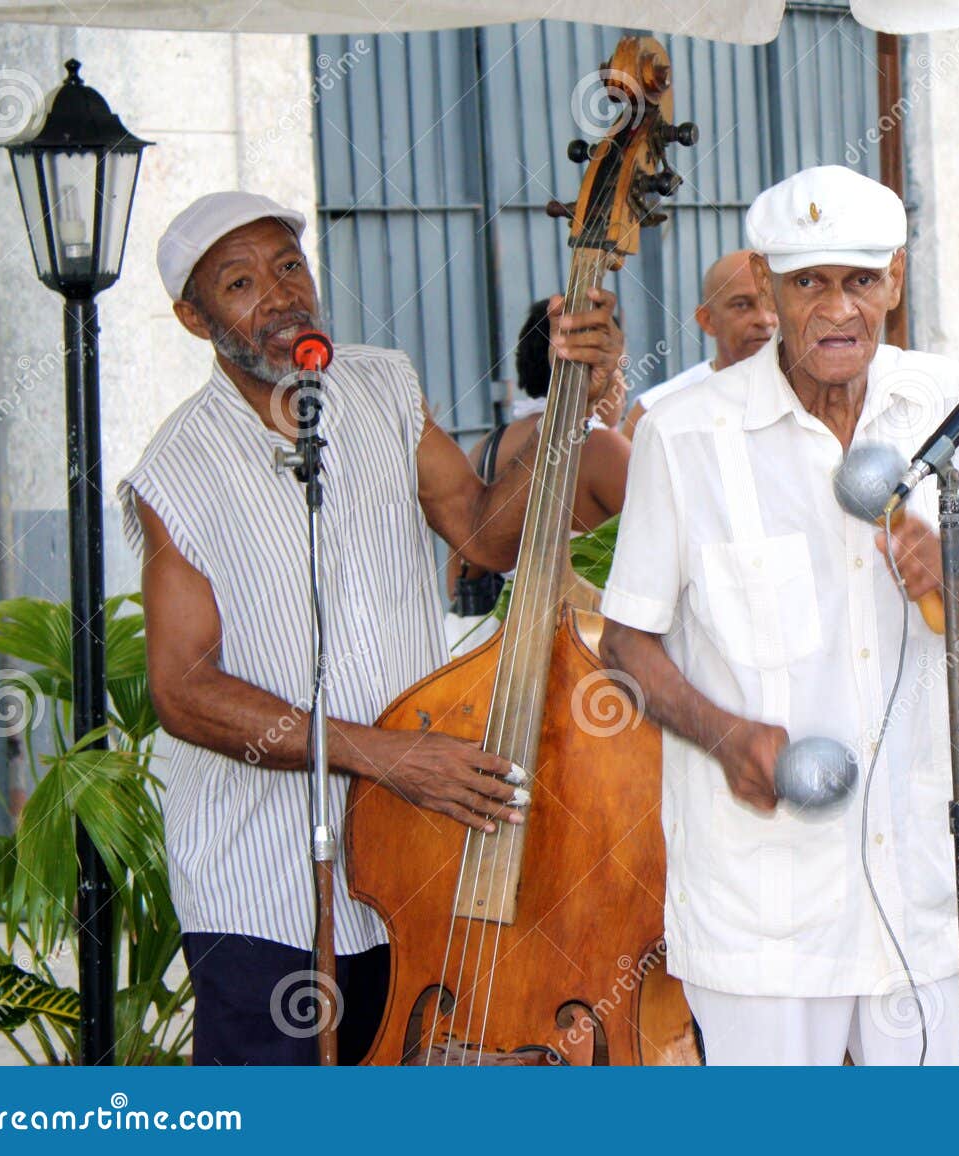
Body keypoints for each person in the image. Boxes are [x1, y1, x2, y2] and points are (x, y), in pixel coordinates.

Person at [119, 192, 623, 1065]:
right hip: (263, 887)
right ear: (194, 318)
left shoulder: (381, 381)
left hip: (410, 864)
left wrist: (569, 403)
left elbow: (481, 532)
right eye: (240, 283)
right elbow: (184, 692)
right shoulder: (175, 468)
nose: (279, 296)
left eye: (289, 266)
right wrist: (381, 754)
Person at [599, 165, 959, 1065]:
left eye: (858, 280)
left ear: (894, 278)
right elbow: (626, 640)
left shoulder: (946, 407)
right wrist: (727, 736)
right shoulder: (683, 434)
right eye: (809, 282)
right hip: (760, 910)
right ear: (769, 287)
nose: (836, 308)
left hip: (921, 891)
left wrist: (951, 579)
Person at [444, 298, 632, 651]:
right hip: (579, 653)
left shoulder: (483, 448)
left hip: (488, 651)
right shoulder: (601, 448)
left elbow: (458, 579)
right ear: (600, 370)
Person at [619, 248, 777, 439]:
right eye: (742, 305)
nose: (765, 319)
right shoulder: (655, 413)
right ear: (707, 320)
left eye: (774, 303)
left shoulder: (816, 399)